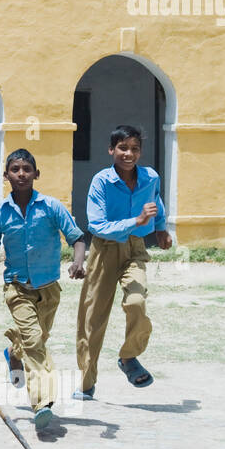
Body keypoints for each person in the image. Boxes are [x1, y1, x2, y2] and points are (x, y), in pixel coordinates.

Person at [0, 149, 86, 428]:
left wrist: (77, 262)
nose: (21, 174)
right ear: (6, 176)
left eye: (27, 169)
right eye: (15, 169)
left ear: (36, 174)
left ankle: (13, 353)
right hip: (17, 288)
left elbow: (77, 238)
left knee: (37, 338)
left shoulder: (51, 207)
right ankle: (43, 402)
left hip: (49, 289)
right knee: (35, 342)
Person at [73, 125, 171, 398]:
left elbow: (156, 202)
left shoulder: (150, 177)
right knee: (93, 319)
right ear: (111, 150)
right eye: (123, 148)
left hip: (135, 248)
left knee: (137, 302)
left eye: (135, 149)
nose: (129, 154)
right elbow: (96, 224)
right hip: (105, 250)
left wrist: (161, 227)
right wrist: (136, 221)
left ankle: (129, 357)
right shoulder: (102, 182)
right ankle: (86, 383)